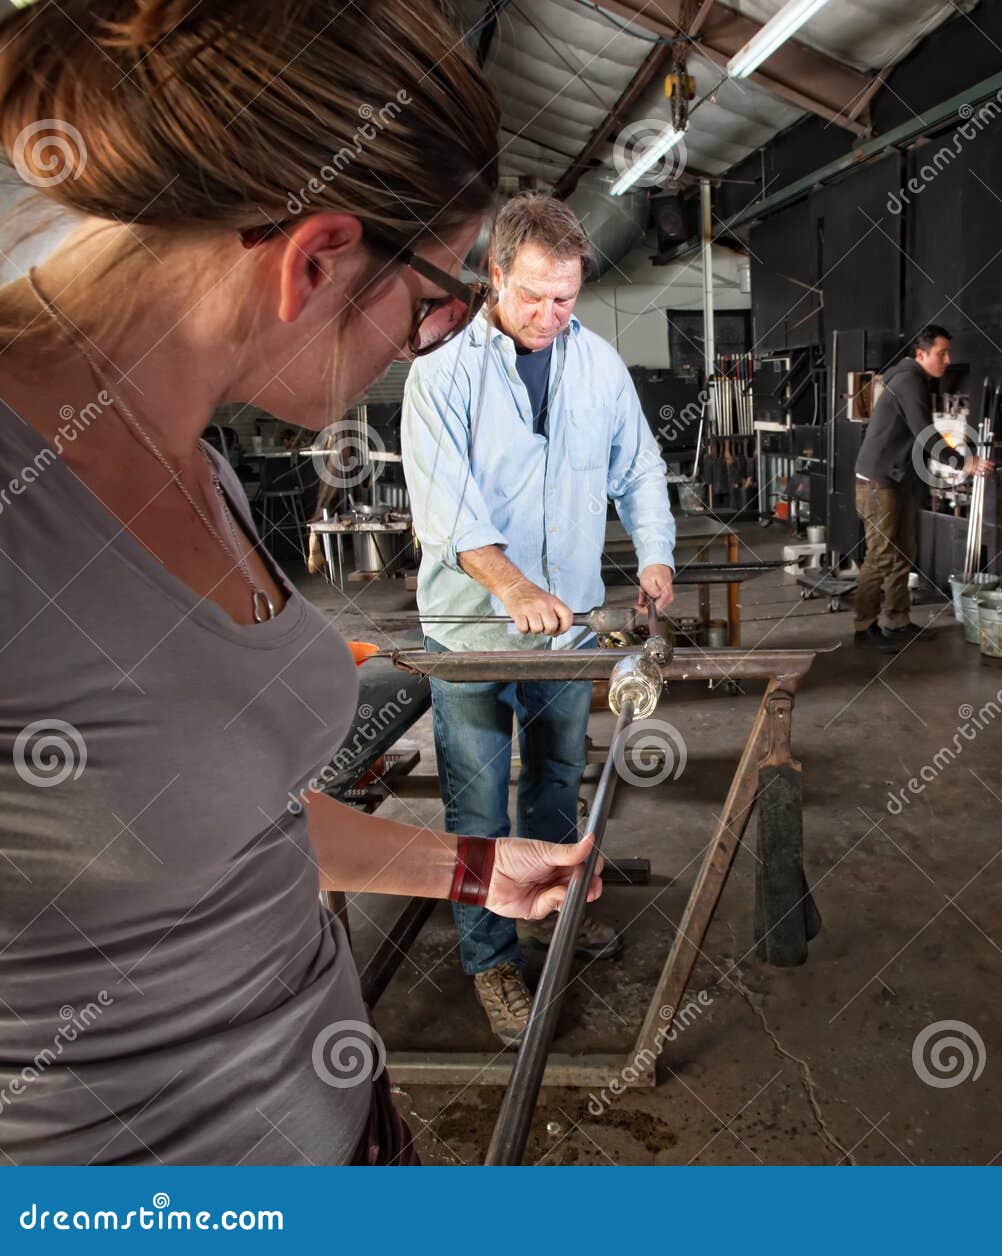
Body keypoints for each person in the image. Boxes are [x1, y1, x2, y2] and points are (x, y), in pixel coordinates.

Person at [0, 0, 604, 1165]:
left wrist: (466, 865)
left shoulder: (202, 468)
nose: (429, 340)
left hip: (341, 1129)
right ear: (317, 256)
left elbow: (235, 821)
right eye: (434, 303)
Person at [401, 193, 676, 1046]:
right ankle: (490, 962)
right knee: (477, 799)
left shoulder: (598, 367)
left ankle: (555, 912)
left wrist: (657, 552)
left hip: (572, 630)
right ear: (494, 275)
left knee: (558, 781)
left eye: (566, 298)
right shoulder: (438, 377)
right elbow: (447, 514)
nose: (551, 315)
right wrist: (514, 590)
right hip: (474, 633)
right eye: (533, 297)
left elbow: (639, 470)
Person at [852, 325, 991, 651]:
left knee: (904, 551)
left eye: (948, 353)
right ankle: (864, 627)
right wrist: (966, 464)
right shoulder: (908, 381)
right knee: (881, 555)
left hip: (898, 479)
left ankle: (898, 620)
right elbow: (926, 434)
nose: (947, 359)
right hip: (878, 481)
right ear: (921, 354)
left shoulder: (916, 380)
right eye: (941, 353)